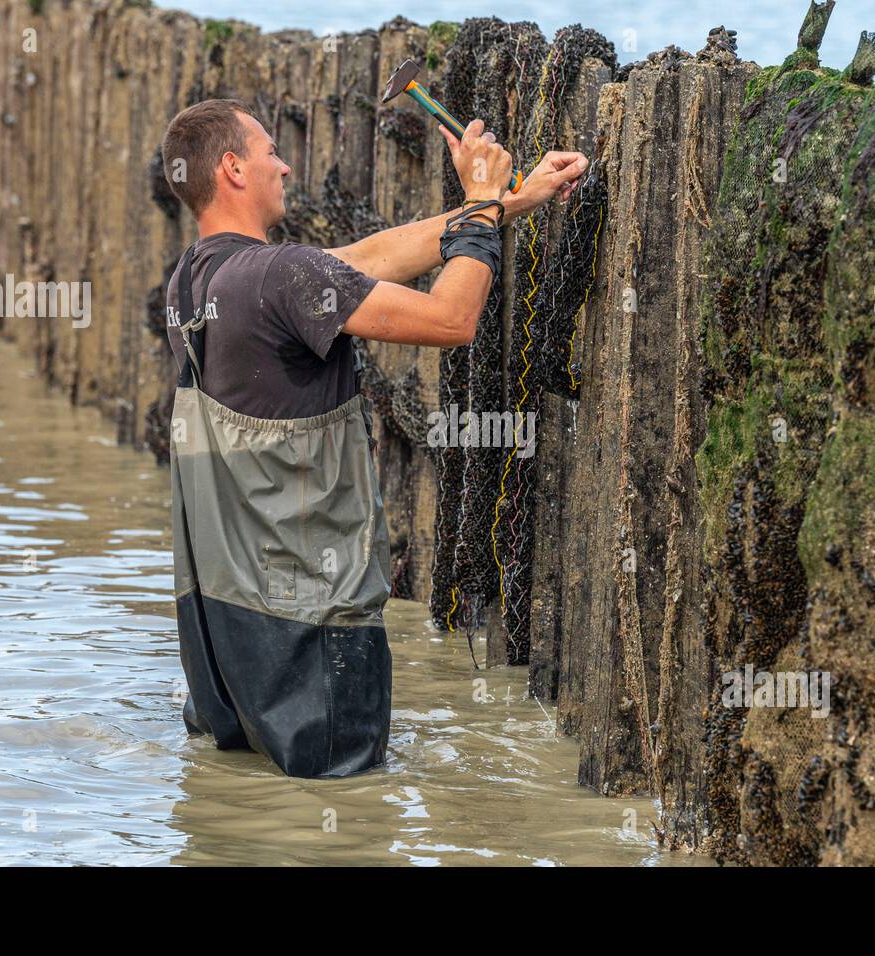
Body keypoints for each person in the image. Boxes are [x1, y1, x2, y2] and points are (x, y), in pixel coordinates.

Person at [160, 97, 588, 778]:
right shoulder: (284, 277)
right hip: (312, 644)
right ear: (235, 168)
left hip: (222, 655)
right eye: (272, 151)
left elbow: (363, 259)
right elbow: (453, 319)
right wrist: (479, 198)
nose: (287, 165)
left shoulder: (195, 282)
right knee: (348, 811)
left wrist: (513, 199)